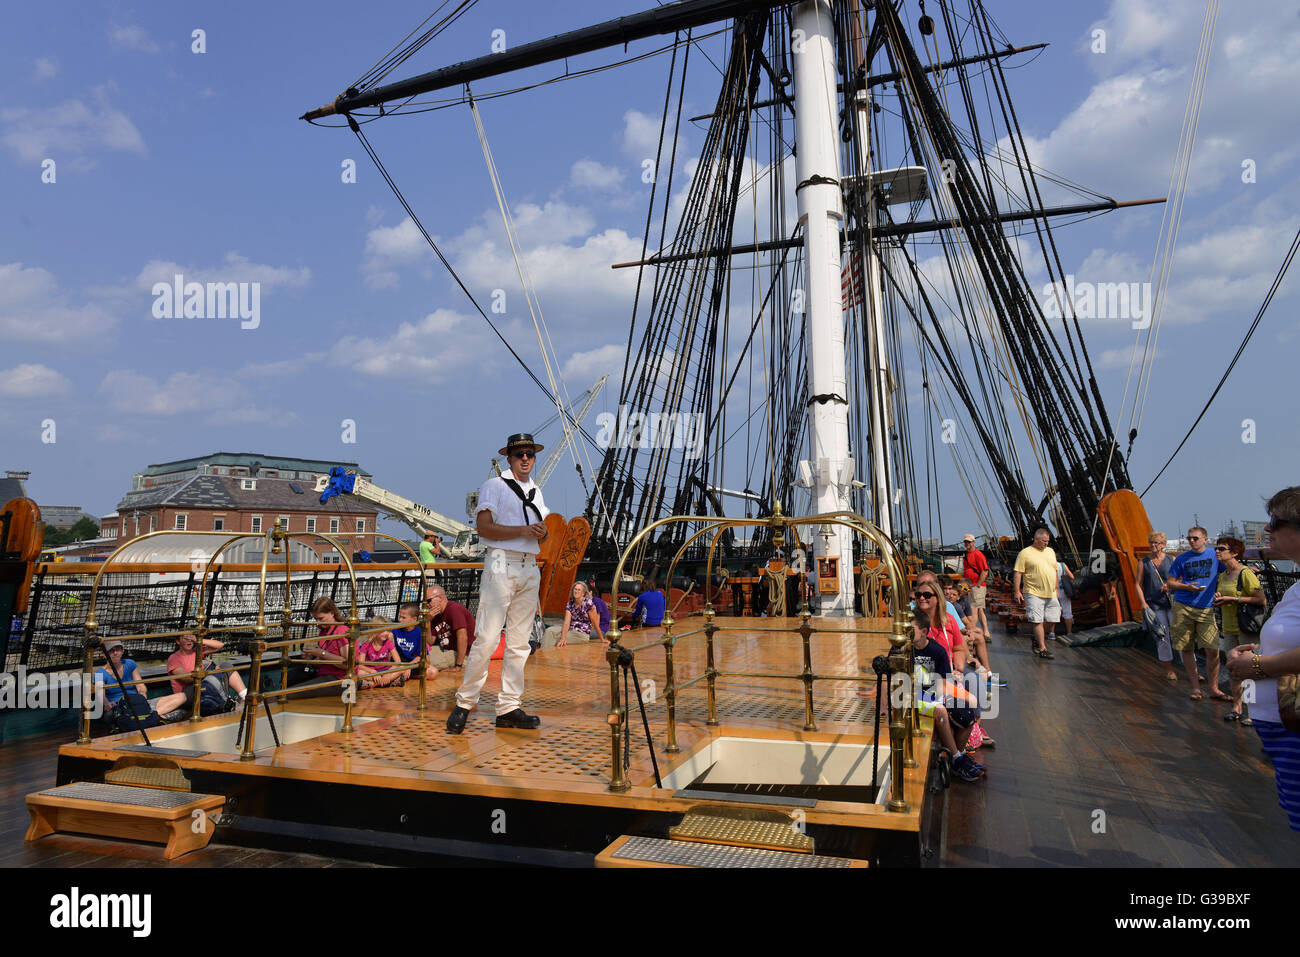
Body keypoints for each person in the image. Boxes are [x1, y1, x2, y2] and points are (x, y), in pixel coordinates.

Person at [446, 433, 549, 734]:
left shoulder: (536, 491)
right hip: (502, 563)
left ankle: (509, 707)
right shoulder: (494, 486)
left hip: (530, 566)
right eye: (520, 455)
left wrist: (541, 533)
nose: (526, 458)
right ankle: (464, 703)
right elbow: (484, 528)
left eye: (530, 453)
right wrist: (526, 530)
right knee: (488, 638)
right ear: (509, 459)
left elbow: (539, 531)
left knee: (519, 643)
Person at [1227, 487, 1300, 831]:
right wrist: (1258, 653)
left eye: (1275, 521)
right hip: (1283, 725)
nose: (1268, 529)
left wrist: (1254, 666)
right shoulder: (1296, 588)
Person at [909, 598, 985, 783]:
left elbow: (944, 682)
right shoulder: (902, 649)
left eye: (910, 631)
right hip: (911, 695)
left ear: (924, 632)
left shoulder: (937, 651)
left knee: (967, 714)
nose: (906, 635)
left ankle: (951, 757)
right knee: (941, 712)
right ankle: (957, 760)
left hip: (933, 693)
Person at [1168, 526, 1229, 703]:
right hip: (1183, 605)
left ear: (1205, 539)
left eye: (1195, 538)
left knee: (1213, 649)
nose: (1191, 541)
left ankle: (1214, 688)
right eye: (1189, 538)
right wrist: (1186, 587)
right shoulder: (1182, 559)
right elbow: (1170, 583)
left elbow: (1230, 570)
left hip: (1206, 607)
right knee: (1187, 647)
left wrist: (1248, 571)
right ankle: (1195, 686)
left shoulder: (1214, 556)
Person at [1213, 536, 1265, 725]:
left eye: (1222, 548)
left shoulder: (1245, 574)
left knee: (1250, 670)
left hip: (1245, 627)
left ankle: (1252, 712)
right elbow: (1223, 595)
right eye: (1216, 548)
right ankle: (1237, 707)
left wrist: (1234, 600)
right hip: (1229, 628)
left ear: (1234, 553)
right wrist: (1219, 597)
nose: (1217, 551)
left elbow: (1261, 599)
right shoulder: (1222, 575)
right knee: (1234, 668)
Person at [96, 639, 187, 718]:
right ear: (104, 655)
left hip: (138, 702)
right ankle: (153, 716)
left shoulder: (130, 663)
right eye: (111, 651)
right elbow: (101, 696)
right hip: (120, 707)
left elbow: (140, 685)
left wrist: (142, 693)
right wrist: (107, 703)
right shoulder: (100, 673)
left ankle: (150, 715)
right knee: (110, 715)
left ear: (122, 651)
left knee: (182, 697)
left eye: (118, 650)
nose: (115, 653)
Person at [167, 632, 247, 712]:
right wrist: (209, 672)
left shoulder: (196, 652)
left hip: (204, 687)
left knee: (226, 666)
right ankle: (228, 703)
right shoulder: (174, 658)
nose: (189, 641)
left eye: (191, 638)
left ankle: (245, 696)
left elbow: (220, 645)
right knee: (212, 678)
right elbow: (187, 679)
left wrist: (199, 640)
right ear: (178, 641)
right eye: (185, 638)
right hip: (188, 694)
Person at [1135, 531, 1177, 681]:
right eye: (1151, 543)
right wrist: (1143, 603)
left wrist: (1171, 586)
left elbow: (1180, 579)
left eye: (1156, 543)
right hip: (1155, 604)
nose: (1153, 545)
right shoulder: (1143, 563)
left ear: (1163, 545)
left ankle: (1194, 668)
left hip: (1172, 602)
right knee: (1162, 636)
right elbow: (1138, 584)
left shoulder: (1172, 559)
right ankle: (1169, 669)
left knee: (1181, 635)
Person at [1013, 527, 1059, 660]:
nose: (1046, 543)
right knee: (1037, 620)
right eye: (1044, 541)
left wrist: (1056, 588)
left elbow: (1055, 570)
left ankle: (1036, 636)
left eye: (1048, 541)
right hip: (1033, 592)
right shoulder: (1025, 553)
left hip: (1050, 592)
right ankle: (1042, 648)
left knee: (1053, 619)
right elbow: (1018, 572)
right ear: (1036, 539)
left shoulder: (1050, 551)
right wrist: (1017, 591)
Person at [426, 583, 476, 670]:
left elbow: (463, 637)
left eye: (428, 600)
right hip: (447, 650)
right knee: (420, 654)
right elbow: (430, 642)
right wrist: (427, 621)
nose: (427, 604)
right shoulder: (435, 614)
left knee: (427, 662)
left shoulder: (454, 609)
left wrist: (458, 665)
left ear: (440, 598)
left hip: (466, 655)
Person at [356, 617, 408, 688]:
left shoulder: (389, 643)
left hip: (385, 671)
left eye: (387, 630)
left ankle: (372, 684)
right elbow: (360, 665)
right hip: (372, 673)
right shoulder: (366, 644)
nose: (386, 633)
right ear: (374, 631)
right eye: (383, 631)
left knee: (402, 668)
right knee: (358, 672)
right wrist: (372, 672)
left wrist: (388, 673)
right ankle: (389, 682)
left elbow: (398, 661)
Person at [553, 581, 603, 648]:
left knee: (556, 639)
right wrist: (563, 637)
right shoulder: (570, 604)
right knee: (549, 631)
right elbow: (566, 622)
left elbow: (595, 623)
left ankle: (552, 656)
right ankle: (543, 654)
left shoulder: (588, 603)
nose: (576, 591)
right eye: (575, 589)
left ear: (583, 593)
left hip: (582, 634)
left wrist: (602, 639)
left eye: (579, 590)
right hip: (571, 630)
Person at [961, 534, 992, 638]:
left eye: (969, 542)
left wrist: (978, 585)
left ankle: (972, 632)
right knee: (979, 609)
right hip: (970, 586)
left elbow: (984, 571)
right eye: (966, 542)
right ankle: (986, 631)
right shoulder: (966, 555)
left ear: (974, 542)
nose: (967, 544)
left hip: (976, 586)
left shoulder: (978, 555)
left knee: (973, 610)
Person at [1048, 560, 1076, 640]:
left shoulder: (1047, 564)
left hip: (1052, 591)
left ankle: (1052, 633)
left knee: (1052, 612)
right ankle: (1069, 633)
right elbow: (1072, 577)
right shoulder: (1063, 565)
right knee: (1067, 612)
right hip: (1064, 591)